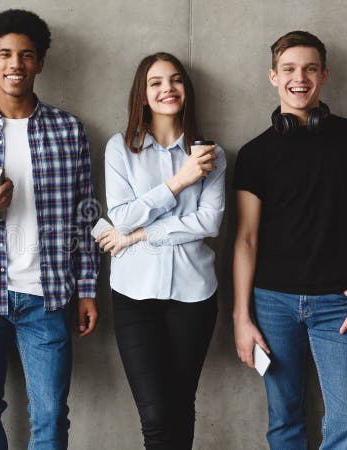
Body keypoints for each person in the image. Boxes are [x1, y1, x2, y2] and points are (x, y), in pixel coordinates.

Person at [0, 9, 99, 450]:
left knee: (50, 415)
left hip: (48, 295)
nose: (16, 64)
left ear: (40, 63)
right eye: (5, 54)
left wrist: (87, 289)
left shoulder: (69, 130)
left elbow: (85, 218)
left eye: (26, 55)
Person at [232, 31, 347, 449]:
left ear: (324, 74)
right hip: (272, 304)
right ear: (273, 76)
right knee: (283, 420)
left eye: (308, 69)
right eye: (288, 69)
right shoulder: (255, 153)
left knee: (346, 422)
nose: (298, 78)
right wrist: (241, 316)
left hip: (344, 304)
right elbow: (246, 239)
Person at [95, 52, 225, 449]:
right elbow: (120, 217)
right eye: (156, 82)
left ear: (187, 90)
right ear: (143, 94)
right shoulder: (120, 148)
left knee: (181, 406)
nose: (167, 88)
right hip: (135, 295)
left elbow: (209, 224)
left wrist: (138, 236)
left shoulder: (211, 154)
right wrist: (179, 182)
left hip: (194, 294)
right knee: (154, 413)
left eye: (176, 80)